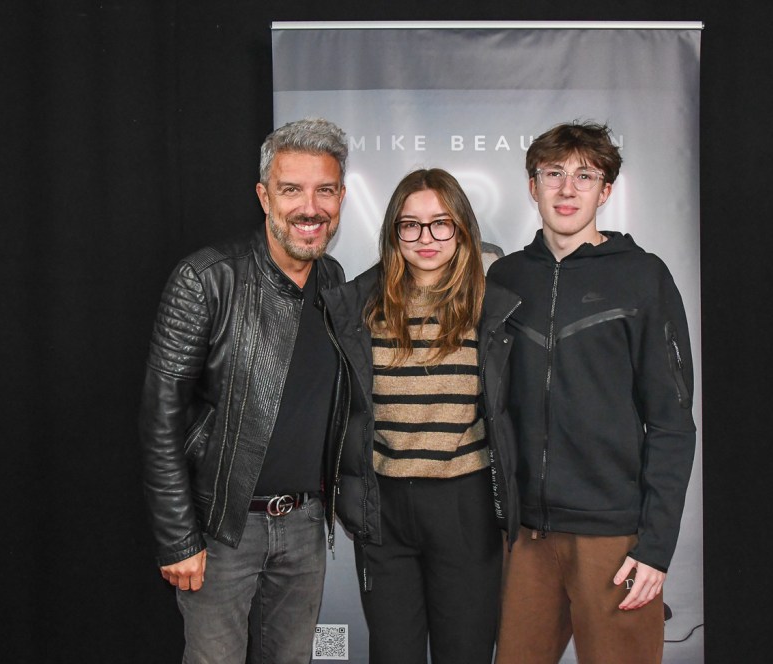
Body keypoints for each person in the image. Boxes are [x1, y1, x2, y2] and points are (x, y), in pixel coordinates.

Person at [138, 118, 349, 663]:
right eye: (292, 189)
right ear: (263, 196)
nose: (311, 206)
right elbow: (160, 418)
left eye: (324, 190)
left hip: (304, 526)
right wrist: (178, 538)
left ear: (341, 197)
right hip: (222, 529)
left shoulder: (334, 282)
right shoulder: (207, 278)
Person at [487, 121, 697, 664]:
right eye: (553, 173)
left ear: (606, 192)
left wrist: (655, 547)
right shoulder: (504, 280)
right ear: (532, 186)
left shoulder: (643, 277)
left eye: (585, 176)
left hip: (614, 540)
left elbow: (673, 422)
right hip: (525, 538)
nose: (567, 188)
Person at [321, 168, 521, 664]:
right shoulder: (357, 308)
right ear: (393, 234)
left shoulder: (491, 305)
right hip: (383, 509)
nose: (425, 238)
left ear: (462, 228)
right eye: (410, 225)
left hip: (464, 505)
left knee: (465, 653)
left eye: (441, 223)